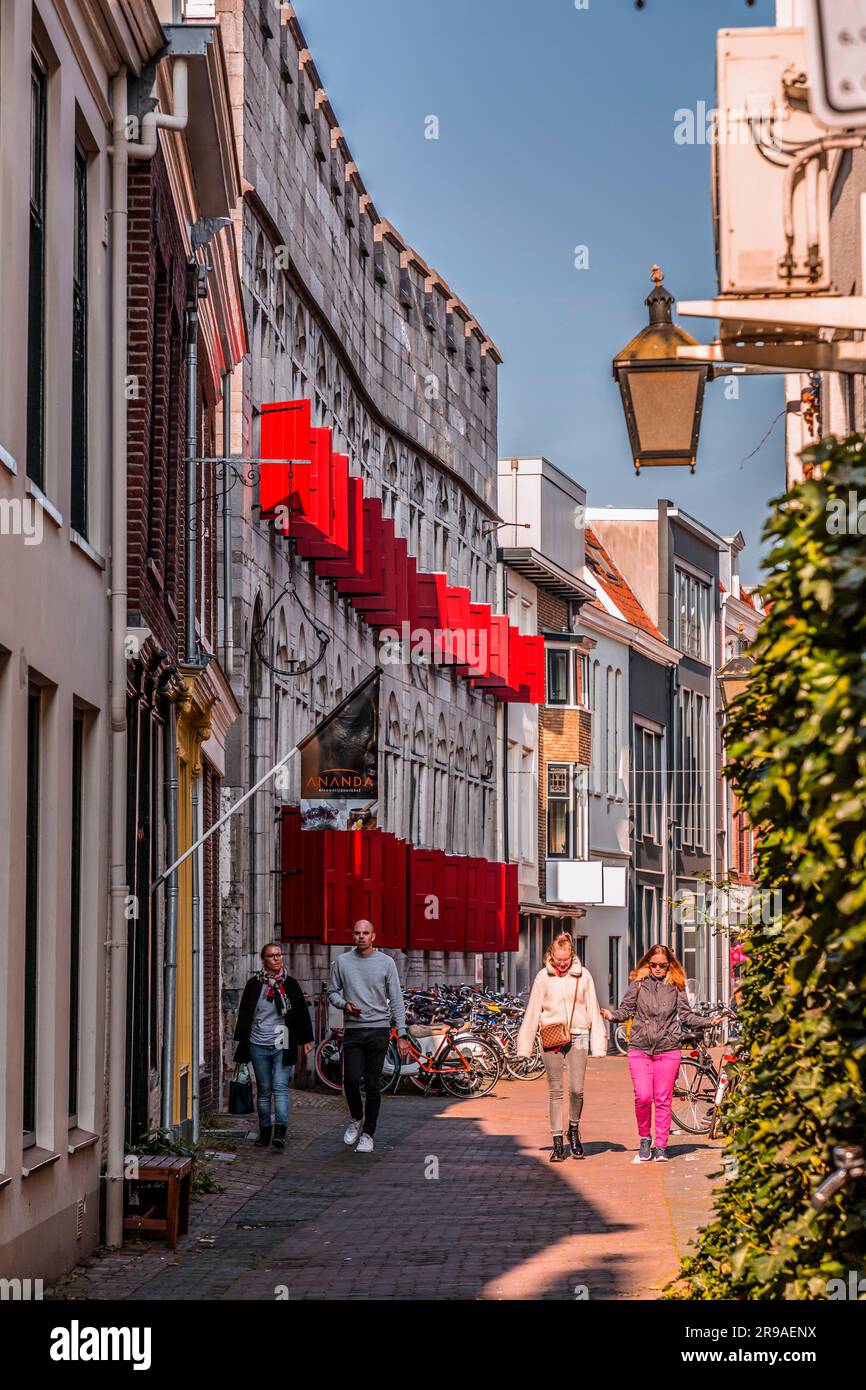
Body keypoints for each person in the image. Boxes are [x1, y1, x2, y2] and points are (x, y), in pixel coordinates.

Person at [601, 943, 720, 1163]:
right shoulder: (638, 985)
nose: (658, 969)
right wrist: (610, 1015)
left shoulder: (676, 986)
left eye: (662, 965)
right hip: (639, 1048)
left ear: (669, 966)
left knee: (663, 1099)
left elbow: (686, 1016)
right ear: (648, 963)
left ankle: (661, 1146)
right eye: (654, 964)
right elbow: (626, 1010)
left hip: (668, 1048)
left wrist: (708, 1022)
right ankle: (645, 1139)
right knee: (643, 1097)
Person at [516, 932, 608, 1162]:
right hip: (551, 1035)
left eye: (566, 960)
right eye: (558, 960)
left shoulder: (583, 976)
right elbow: (533, 1010)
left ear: (572, 956)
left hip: (579, 1034)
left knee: (577, 1089)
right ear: (551, 956)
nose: (562, 964)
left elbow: (592, 1007)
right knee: (555, 1091)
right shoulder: (542, 978)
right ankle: (557, 1142)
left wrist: (598, 1044)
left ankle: (573, 1129)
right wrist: (524, 1047)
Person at [328, 919, 409, 1152]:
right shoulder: (342, 962)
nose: (361, 937)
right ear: (352, 936)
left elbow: (396, 999)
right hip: (353, 1029)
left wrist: (401, 1033)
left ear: (373, 936)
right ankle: (356, 1117)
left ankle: (369, 1133)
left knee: (373, 1083)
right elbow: (332, 993)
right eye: (357, 933)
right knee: (351, 1080)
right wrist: (345, 1005)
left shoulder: (386, 963)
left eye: (365, 933)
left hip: (379, 1029)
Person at [233, 943, 314, 1151]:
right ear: (264, 959)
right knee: (264, 1090)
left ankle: (280, 1133)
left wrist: (306, 1040)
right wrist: (242, 1045)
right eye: (271, 956)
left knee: (280, 1088)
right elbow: (244, 1015)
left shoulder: (290, 984)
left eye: (279, 955)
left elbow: (301, 1014)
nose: (276, 959)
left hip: (281, 1038)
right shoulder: (254, 985)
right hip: (258, 1041)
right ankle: (265, 1131)